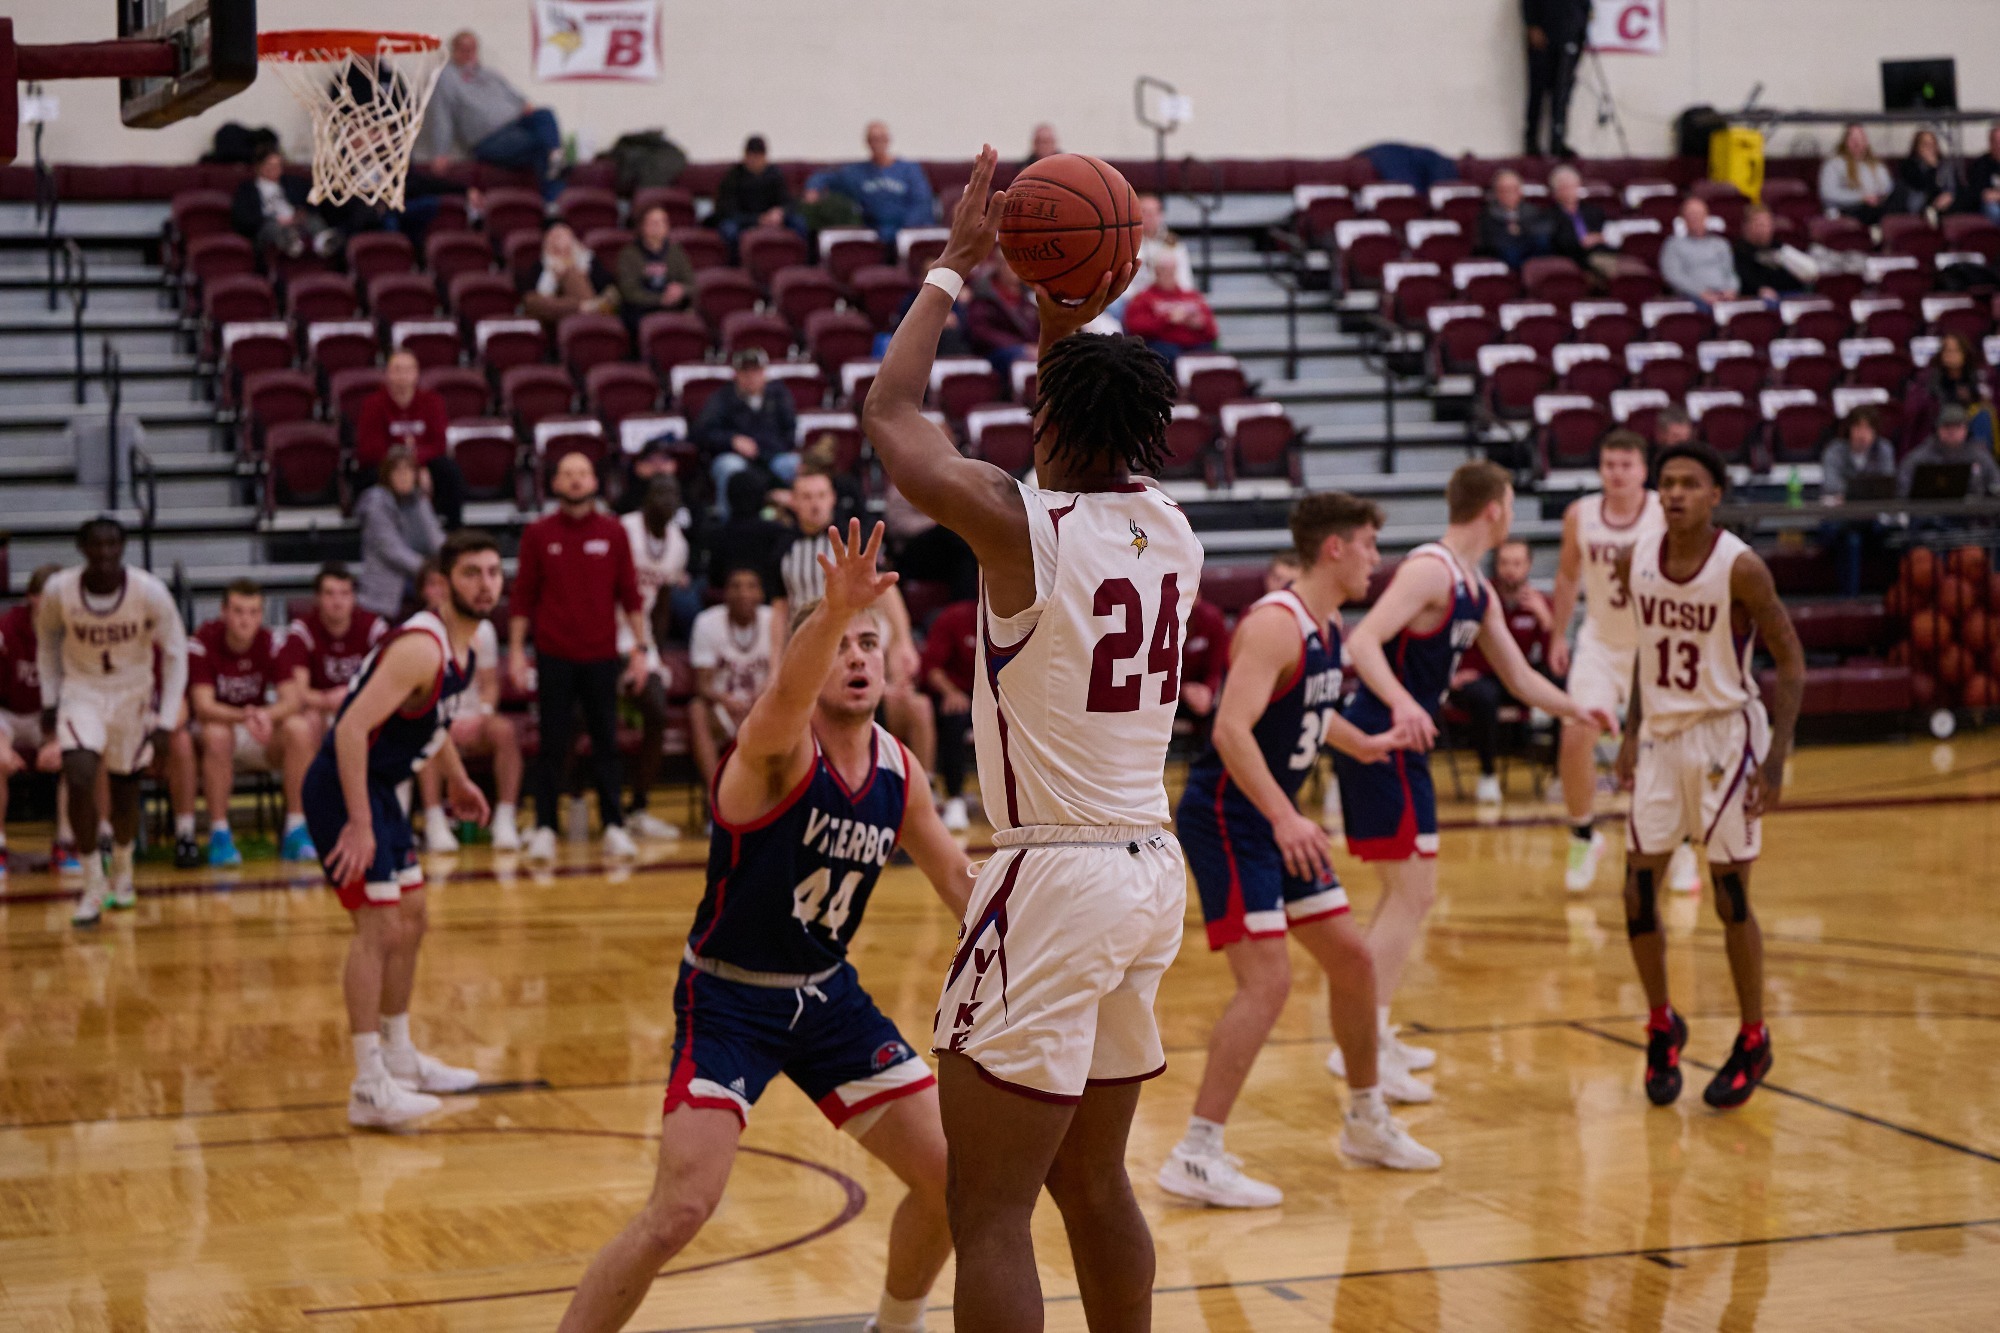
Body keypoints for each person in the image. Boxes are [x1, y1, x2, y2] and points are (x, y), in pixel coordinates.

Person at [865, 147, 1202, 1332]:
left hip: (1048, 873)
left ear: (1048, 420)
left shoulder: (1018, 527)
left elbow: (889, 415)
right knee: (1091, 1177)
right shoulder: (1169, 526)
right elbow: (1083, 409)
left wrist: (956, 270)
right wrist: (1073, 306)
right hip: (1147, 872)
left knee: (989, 1207)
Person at [556, 522, 970, 1333]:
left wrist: (1032, 938)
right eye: (838, 643)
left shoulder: (897, 768)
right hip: (729, 1000)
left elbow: (959, 878)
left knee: (955, 1177)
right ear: (808, 655)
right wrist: (830, 614)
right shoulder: (775, 749)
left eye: (869, 643)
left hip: (829, 1001)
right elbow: (784, 696)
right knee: (679, 1210)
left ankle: (895, 1324)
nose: (856, 657)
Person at [1161, 493, 1439, 1212]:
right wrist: (1286, 817)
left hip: (1274, 817)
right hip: (1233, 816)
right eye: (1372, 544)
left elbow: (1311, 713)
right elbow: (1230, 729)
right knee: (1268, 982)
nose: (1380, 559)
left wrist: (1364, 741)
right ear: (1336, 548)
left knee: (1352, 960)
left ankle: (1365, 1120)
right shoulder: (1274, 624)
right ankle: (1196, 1150)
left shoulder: (1328, 623)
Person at [1339, 462, 1610, 1079]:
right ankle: (1363, 1043)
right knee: (1411, 894)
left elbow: (1517, 676)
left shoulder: (1476, 589)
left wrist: (1578, 707)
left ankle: (1368, 1034)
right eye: (1512, 500)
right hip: (1381, 738)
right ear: (1495, 508)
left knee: (1407, 895)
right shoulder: (1428, 568)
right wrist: (1406, 703)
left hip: (1405, 745)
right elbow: (1363, 642)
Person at [1613, 442, 1804, 1109]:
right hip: (1663, 739)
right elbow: (1646, 653)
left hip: (1726, 736)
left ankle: (1754, 1036)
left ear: (1715, 493)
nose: (1674, 494)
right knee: (1637, 894)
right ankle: (1662, 1022)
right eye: (1666, 483)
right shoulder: (1639, 557)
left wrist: (1776, 757)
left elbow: (1792, 659)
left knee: (1730, 899)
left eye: (1690, 483)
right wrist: (1633, 731)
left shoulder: (1740, 567)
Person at [305, 528, 499, 1128]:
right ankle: (367, 1085)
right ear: (443, 583)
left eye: (494, 571)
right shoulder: (421, 646)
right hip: (344, 790)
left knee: (412, 920)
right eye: (472, 573)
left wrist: (459, 780)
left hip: (382, 790)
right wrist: (360, 823)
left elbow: (430, 723)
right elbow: (347, 729)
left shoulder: (469, 644)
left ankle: (399, 1056)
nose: (486, 583)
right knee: (379, 925)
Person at [37, 518, 189, 927]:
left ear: (123, 548)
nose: (105, 553)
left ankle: (122, 868)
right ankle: (91, 884)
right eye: (97, 545)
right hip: (81, 691)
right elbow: (48, 641)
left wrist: (166, 719)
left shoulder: (149, 591)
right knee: (80, 775)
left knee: (125, 794)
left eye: (112, 545)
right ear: (82, 547)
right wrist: (50, 697)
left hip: (133, 695)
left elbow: (176, 653)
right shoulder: (59, 591)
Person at [509, 451, 653, 865]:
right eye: (567, 473)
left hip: (602, 656)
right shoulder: (538, 534)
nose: (575, 480)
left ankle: (614, 825)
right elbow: (522, 597)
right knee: (551, 745)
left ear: (595, 482)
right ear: (554, 484)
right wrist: (517, 653)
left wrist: (641, 651)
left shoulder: (613, 532)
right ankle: (545, 828)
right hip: (554, 655)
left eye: (583, 472)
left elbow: (631, 595)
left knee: (606, 743)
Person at [1548, 431, 1665, 889]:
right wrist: (1558, 634)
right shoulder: (1580, 514)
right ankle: (1582, 834)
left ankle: (1678, 845)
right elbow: (1566, 575)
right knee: (1576, 731)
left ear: (1642, 469)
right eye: (1608, 464)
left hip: (1652, 644)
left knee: (1665, 746)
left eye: (1625, 464)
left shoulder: (1662, 512)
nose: (1616, 473)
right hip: (1599, 640)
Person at [775, 465, 936, 778]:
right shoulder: (782, 549)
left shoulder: (850, 543)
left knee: (895, 710)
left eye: (821, 495)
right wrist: (777, 663)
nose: (815, 503)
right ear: (793, 502)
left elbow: (885, 592)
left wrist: (902, 642)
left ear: (833, 498)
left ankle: (912, 788)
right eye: (806, 497)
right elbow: (780, 610)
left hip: (853, 646)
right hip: (809, 653)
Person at [189, 579, 318, 866]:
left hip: (257, 728)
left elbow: (293, 699)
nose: (245, 619)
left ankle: (296, 829)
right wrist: (245, 715)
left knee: (299, 727)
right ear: (223, 612)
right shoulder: (203, 641)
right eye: (238, 611)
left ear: (261, 615)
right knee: (217, 734)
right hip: (220, 731)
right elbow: (203, 706)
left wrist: (264, 716)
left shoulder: (271, 641)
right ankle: (220, 834)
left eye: (252, 612)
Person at [414, 563, 522, 854]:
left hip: (474, 717)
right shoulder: (417, 631)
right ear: (422, 591)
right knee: (427, 735)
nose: (437, 591)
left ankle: (505, 819)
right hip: (435, 719)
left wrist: (484, 713)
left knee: (505, 731)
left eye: (441, 584)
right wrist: (445, 722)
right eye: (430, 584)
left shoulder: (481, 628)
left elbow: (490, 683)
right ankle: (435, 822)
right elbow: (417, 696)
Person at [1447, 539, 1554, 806]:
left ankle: (1559, 772)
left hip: (1518, 679)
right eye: (1504, 563)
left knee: (1563, 682)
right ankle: (1487, 774)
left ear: (1528, 566)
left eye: (1517, 563)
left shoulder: (1538, 602)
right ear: (1496, 565)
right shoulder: (1482, 598)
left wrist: (1547, 623)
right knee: (1483, 695)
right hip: (1482, 678)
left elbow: (1555, 659)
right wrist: (1461, 671)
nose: (1510, 570)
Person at [618, 476, 690, 840]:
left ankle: (639, 807)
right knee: (586, 717)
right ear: (646, 499)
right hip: (606, 634)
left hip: (641, 639)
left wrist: (650, 651)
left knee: (657, 712)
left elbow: (662, 604)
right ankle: (585, 801)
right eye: (660, 492)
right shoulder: (625, 530)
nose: (667, 499)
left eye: (673, 494)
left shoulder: (677, 544)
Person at [419, 29, 565, 200]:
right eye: (463, 49)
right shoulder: (447, 79)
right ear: (454, 51)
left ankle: (555, 157)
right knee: (540, 147)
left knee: (545, 115)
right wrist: (440, 152)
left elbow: (518, 97)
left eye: (472, 49)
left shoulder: (489, 73)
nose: (468, 54)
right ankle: (552, 199)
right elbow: (441, 117)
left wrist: (526, 106)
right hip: (490, 139)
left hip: (517, 123)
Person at [0, 565, 73, 877]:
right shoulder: (6, 630)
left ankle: (67, 843)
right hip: (7, 713)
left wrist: (60, 739)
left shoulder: (74, 633)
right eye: (49, 599)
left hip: (52, 715)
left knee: (78, 756)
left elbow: (81, 693)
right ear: (32, 598)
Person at [687, 566, 775, 793]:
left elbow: (782, 674)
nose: (744, 593)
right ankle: (716, 797)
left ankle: (776, 800)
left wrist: (760, 698)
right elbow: (702, 685)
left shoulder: (774, 620)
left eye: (750, 586)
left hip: (763, 707)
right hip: (721, 708)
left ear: (761, 594)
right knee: (696, 710)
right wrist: (725, 700)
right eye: (736, 586)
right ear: (725, 593)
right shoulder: (707, 622)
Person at [354, 350, 464, 530]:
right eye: (396, 369)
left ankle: (454, 532)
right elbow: (369, 448)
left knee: (449, 472)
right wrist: (403, 466)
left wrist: (417, 464)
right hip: (386, 466)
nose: (402, 375)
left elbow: (438, 444)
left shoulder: (432, 401)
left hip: (423, 463)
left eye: (407, 370)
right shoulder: (373, 404)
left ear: (416, 374)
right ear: (387, 374)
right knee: (368, 476)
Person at [282, 563, 389, 740]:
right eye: (329, 593)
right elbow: (299, 692)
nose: (337, 601)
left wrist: (352, 696)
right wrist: (327, 700)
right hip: (320, 710)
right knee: (308, 720)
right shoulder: (302, 630)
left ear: (354, 597)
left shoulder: (373, 627)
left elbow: (388, 681)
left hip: (362, 704)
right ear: (317, 598)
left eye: (344, 593)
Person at [698, 348, 799, 512]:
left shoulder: (779, 395)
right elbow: (702, 433)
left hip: (773, 455)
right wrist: (732, 440)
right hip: (735, 457)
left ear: (764, 373)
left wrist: (765, 449)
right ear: (735, 374)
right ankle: (729, 523)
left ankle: (798, 521)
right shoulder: (722, 398)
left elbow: (790, 434)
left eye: (755, 371)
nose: (751, 376)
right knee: (729, 467)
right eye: (745, 371)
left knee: (796, 464)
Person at [804, 122, 937, 244]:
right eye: (873, 139)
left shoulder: (909, 170)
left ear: (888, 140)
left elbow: (921, 202)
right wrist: (813, 188)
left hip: (904, 231)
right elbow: (826, 176)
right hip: (873, 231)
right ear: (867, 143)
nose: (878, 143)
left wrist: (902, 230)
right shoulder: (857, 172)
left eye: (881, 138)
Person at [355, 448, 445, 618]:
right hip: (390, 583)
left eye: (408, 470)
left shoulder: (420, 499)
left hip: (421, 576)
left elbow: (436, 539)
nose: (404, 476)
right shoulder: (376, 503)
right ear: (387, 474)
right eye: (398, 470)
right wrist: (429, 569)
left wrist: (451, 559)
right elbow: (392, 551)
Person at [1818, 407, 1898, 597]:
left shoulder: (1884, 450)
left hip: (1873, 519)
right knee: (1851, 539)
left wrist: (1853, 493)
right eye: (1858, 428)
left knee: (1897, 536)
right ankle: (1849, 600)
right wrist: (1861, 492)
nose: (1863, 434)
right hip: (1840, 519)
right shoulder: (1835, 450)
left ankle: (1891, 597)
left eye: (1868, 429)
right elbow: (1831, 486)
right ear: (1849, 430)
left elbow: (1887, 484)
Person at [918, 597, 977, 832]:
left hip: (995, 697)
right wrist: (951, 692)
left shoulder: (1014, 621)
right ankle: (955, 798)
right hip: (956, 696)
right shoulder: (954, 617)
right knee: (955, 715)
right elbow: (931, 668)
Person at [230, 148, 339, 258]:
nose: (275, 169)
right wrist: (276, 220)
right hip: (269, 222)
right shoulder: (247, 189)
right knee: (273, 228)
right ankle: (290, 242)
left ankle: (325, 241)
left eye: (278, 165)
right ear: (259, 166)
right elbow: (243, 218)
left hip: (294, 219)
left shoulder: (292, 183)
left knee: (313, 220)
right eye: (270, 165)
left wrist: (300, 213)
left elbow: (309, 201)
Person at [1122, 252, 1220, 370]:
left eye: (1171, 269)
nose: (1168, 273)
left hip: (1195, 346)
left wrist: (1199, 324)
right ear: (1156, 271)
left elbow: (1213, 331)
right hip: (1163, 348)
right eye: (1163, 269)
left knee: (1212, 356)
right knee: (1165, 355)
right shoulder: (1143, 298)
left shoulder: (1193, 297)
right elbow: (1135, 328)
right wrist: (1167, 319)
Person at [1902, 331, 1996, 453]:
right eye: (1947, 350)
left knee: (1983, 416)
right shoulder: (1928, 378)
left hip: (1968, 422)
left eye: (1956, 350)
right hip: (1940, 421)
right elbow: (1917, 407)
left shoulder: (1978, 377)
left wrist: (1974, 398)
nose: (1951, 355)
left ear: (1965, 354)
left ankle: (1981, 461)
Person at [1522, 0, 1592, 158]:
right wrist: (1532, 24)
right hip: (1544, 34)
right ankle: (1531, 142)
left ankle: (1558, 142)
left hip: (1570, 34)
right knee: (1537, 91)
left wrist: (1582, 27)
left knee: (1562, 93)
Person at [712, 134, 805, 248]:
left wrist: (780, 212)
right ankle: (735, 263)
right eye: (751, 156)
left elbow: (788, 202)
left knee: (799, 223)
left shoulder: (775, 175)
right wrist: (757, 219)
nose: (754, 161)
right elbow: (728, 210)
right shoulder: (733, 177)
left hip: (771, 219)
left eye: (758, 157)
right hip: (744, 220)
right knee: (729, 229)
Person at [615, 204, 694, 337]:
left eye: (662, 221)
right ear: (642, 226)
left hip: (672, 307)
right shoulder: (628, 255)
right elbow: (628, 291)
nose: (658, 226)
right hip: (640, 311)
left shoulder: (676, 253)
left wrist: (681, 289)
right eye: (653, 222)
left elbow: (691, 283)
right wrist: (659, 299)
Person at [523, 223, 618, 328]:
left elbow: (607, 289)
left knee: (572, 274)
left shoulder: (589, 262)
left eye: (562, 236)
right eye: (554, 237)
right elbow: (534, 300)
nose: (558, 241)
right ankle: (581, 307)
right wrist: (553, 277)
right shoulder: (539, 266)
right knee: (531, 300)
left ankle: (581, 308)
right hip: (552, 317)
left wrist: (572, 270)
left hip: (586, 319)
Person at [1898, 403, 2000, 498]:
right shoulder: (1921, 456)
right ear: (1938, 429)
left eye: (1957, 427)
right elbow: (1903, 487)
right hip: (1929, 514)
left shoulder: (1978, 454)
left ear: (1966, 429)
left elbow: (1996, 482)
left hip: (1970, 514)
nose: (1952, 431)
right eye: (1947, 426)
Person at [1660, 196, 1738, 310]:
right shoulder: (1673, 245)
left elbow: (1730, 272)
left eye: (1699, 214)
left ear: (1706, 216)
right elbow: (1673, 275)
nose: (1695, 218)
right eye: (1691, 214)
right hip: (1693, 297)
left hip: (1723, 295)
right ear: (1683, 219)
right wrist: (1700, 293)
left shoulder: (1721, 244)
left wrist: (1731, 289)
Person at [965, 261, 1039, 374]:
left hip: (1029, 349)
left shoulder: (1030, 296)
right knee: (1022, 357)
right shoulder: (983, 295)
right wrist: (1021, 347)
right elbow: (981, 331)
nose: (1017, 270)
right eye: (1012, 264)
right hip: (994, 352)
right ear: (999, 266)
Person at [1177, 593, 1229, 748]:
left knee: (1221, 713)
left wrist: (1208, 690)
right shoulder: (1155, 620)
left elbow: (1217, 668)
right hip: (1166, 694)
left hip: (1200, 695)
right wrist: (1183, 690)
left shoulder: (1211, 618)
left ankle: (1207, 765)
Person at [1477, 168, 1556, 269]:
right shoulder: (1488, 215)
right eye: (1504, 190)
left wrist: (1521, 230)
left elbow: (1545, 230)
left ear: (1520, 191)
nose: (1509, 194)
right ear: (1496, 193)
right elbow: (1494, 244)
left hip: (1533, 256)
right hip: (1507, 260)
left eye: (1513, 189)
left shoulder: (1532, 210)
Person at [1819, 123, 1894, 225]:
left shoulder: (1876, 164)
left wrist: (1875, 197)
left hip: (1876, 206)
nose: (1857, 143)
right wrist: (1861, 197)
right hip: (1848, 210)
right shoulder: (1833, 164)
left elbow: (1887, 186)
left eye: (1861, 138)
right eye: (1853, 139)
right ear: (1845, 142)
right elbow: (1828, 194)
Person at [1548, 164, 1614, 277]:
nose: (1570, 191)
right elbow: (1560, 242)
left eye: (1573, 186)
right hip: (1575, 258)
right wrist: (1584, 241)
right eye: (1565, 187)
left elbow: (1608, 234)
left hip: (1602, 253)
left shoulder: (1593, 211)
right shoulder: (1550, 215)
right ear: (1556, 192)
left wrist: (1597, 238)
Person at [1732, 205, 1805, 301]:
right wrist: (1759, 289)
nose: (1765, 229)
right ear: (1747, 226)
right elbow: (1744, 281)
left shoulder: (1779, 248)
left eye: (1768, 224)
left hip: (1789, 295)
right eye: (1760, 225)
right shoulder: (1739, 251)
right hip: (1756, 300)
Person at [1896, 128, 1961, 218]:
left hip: (1944, 201)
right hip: (1921, 200)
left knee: (1953, 197)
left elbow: (1957, 187)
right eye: (1925, 144)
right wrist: (1932, 168)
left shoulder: (1945, 164)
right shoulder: (1909, 164)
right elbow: (1923, 185)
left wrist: (1948, 196)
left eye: (1933, 144)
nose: (1930, 148)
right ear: (1917, 147)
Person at [1968, 124, 2000, 224]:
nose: (1999, 146)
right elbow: (1982, 194)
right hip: (1989, 205)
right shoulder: (1981, 164)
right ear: (1990, 143)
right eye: (1996, 142)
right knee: (1993, 210)